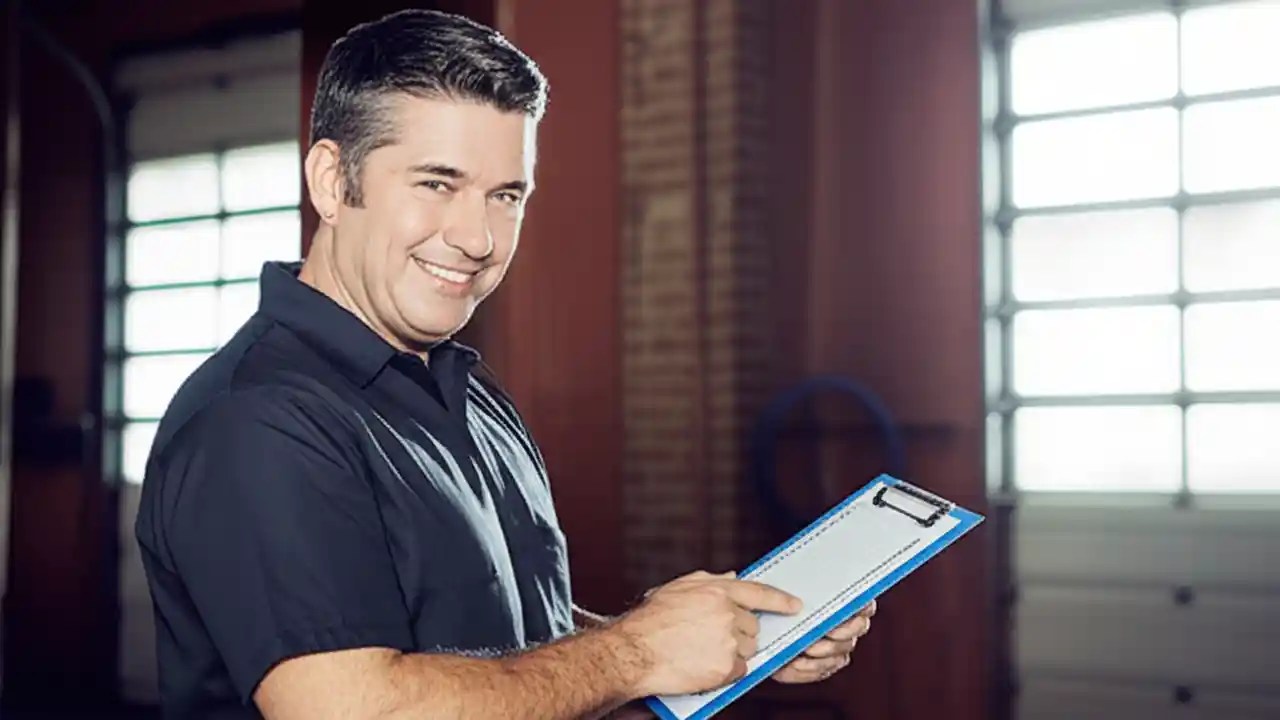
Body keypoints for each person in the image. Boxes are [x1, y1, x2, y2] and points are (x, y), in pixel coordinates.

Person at [135, 9, 875, 719]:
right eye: (437, 184)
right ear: (332, 181)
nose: (479, 237)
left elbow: (516, 637)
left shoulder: (470, 392)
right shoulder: (257, 419)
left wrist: (717, 642)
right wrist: (635, 652)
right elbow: (352, 707)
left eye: (506, 195)